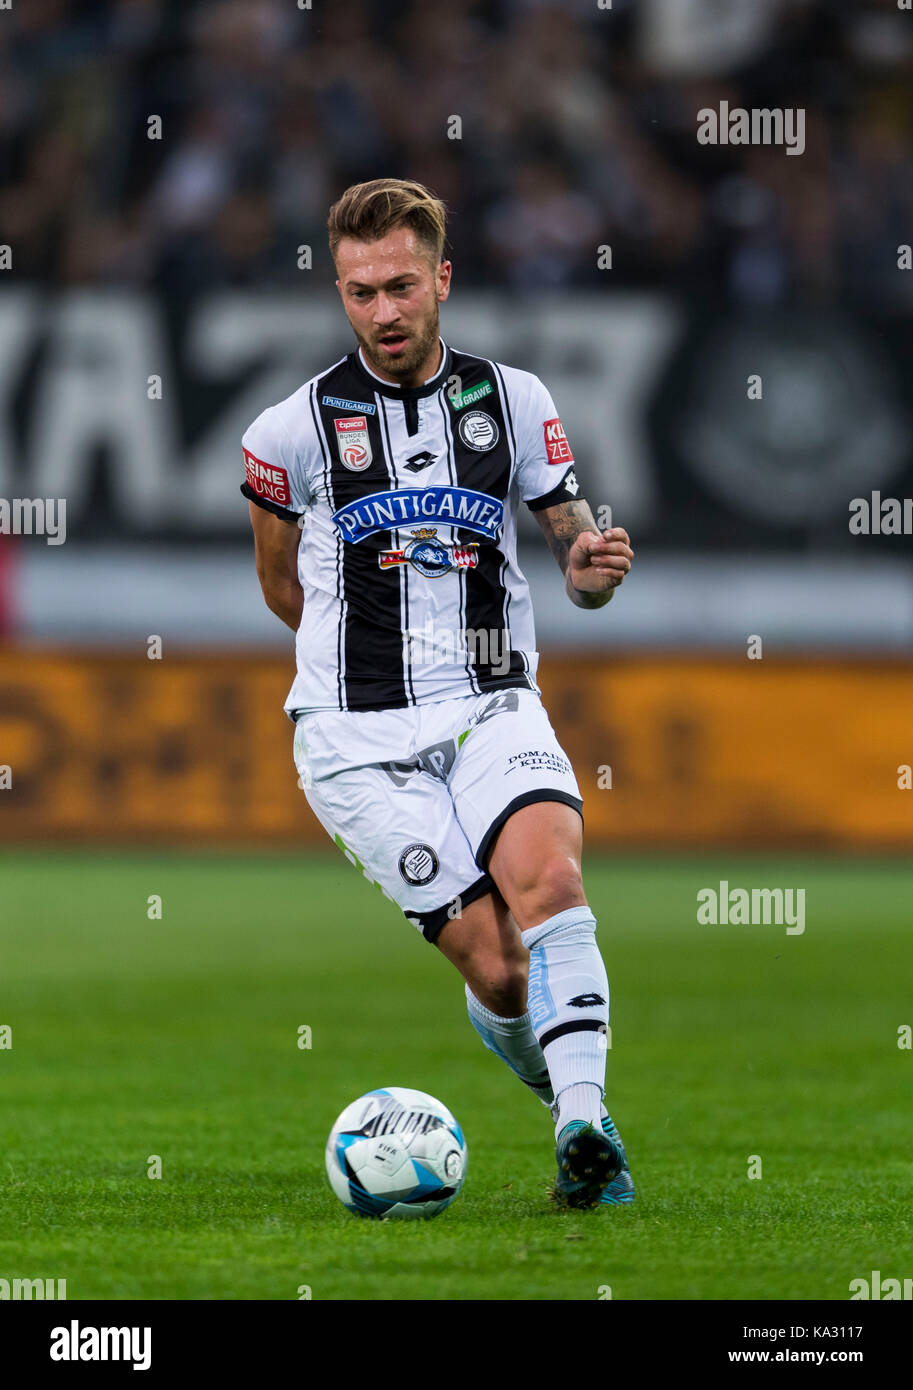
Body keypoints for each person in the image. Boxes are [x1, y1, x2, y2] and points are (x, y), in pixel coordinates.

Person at [242, 178, 635, 1207]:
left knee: (549, 882)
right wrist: (358, 663)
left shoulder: (514, 400)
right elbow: (280, 585)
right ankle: (571, 1103)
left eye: (401, 286)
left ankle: (586, 1127)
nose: (383, 311)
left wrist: (589, 573)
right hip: (353, 738)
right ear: (340, 292)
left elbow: (572, 550)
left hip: (492, 700)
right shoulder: (289, 430)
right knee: (500, 970)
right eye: (360, 291)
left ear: (442, 280)